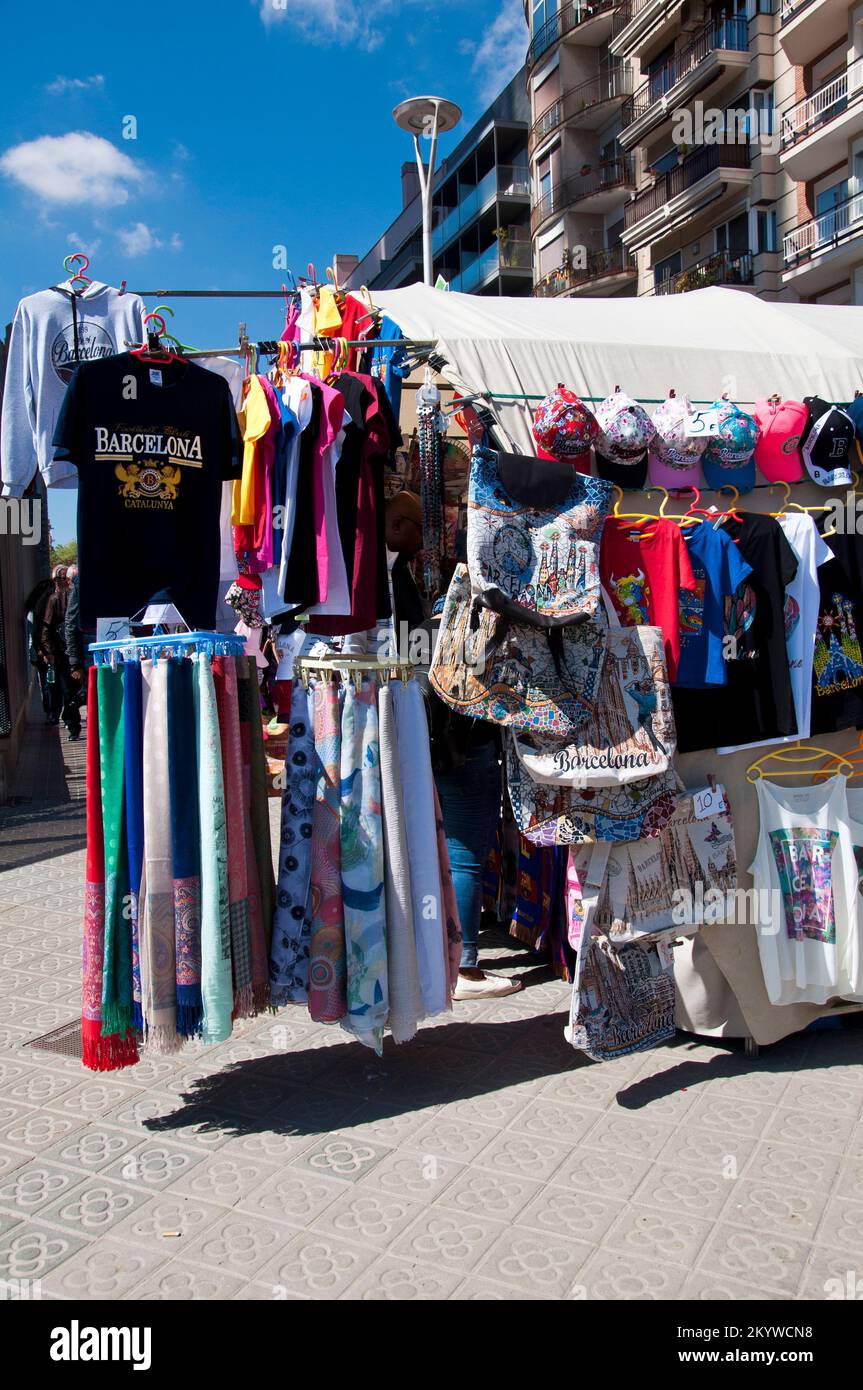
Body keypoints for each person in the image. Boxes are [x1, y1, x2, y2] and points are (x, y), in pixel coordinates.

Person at [385, 489, 523, 1001]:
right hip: (467, 739)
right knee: (465, 853)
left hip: (422, 734)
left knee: (433, 848)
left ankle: (432, 951)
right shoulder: (474, 604)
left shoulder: (404, 595)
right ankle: (465, 968)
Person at [40, 565, 81, 741]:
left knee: (79, 692)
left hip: (78, 650)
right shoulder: (54, 600)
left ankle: (70, 717)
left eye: (66, 579)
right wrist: (47, 650)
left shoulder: (77, 596)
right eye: (60, 579)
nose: (64, 582)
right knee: (67, 691)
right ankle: (73, 726)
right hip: (62, 654)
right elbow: (46, 628)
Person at [24, 576, 55, 721]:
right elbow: (31, 634)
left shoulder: (34, 610)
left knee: (46, 683)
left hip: (44, 651)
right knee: (49, 683)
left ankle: (50, 712)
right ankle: (52, 711)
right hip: (46, 651)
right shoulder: (39, 610)